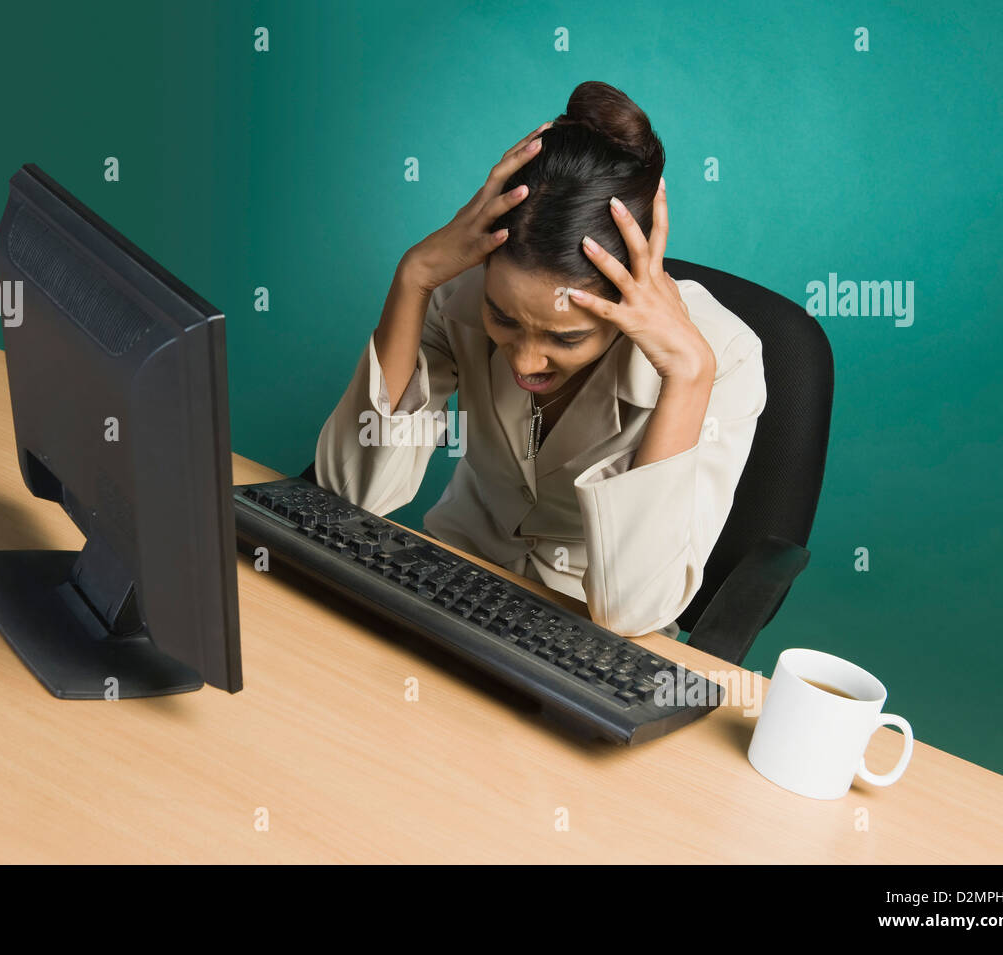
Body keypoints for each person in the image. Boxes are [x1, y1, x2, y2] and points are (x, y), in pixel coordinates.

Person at [315, 81, 766, 639]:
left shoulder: (723, 357)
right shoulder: (463, 291)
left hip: (588, 637)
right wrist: (413, 278)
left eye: (567, 338)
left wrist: (689, 378)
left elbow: (631, 610)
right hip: (447, 582)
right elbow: (349, 495)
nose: (526, 362)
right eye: (503, 319)